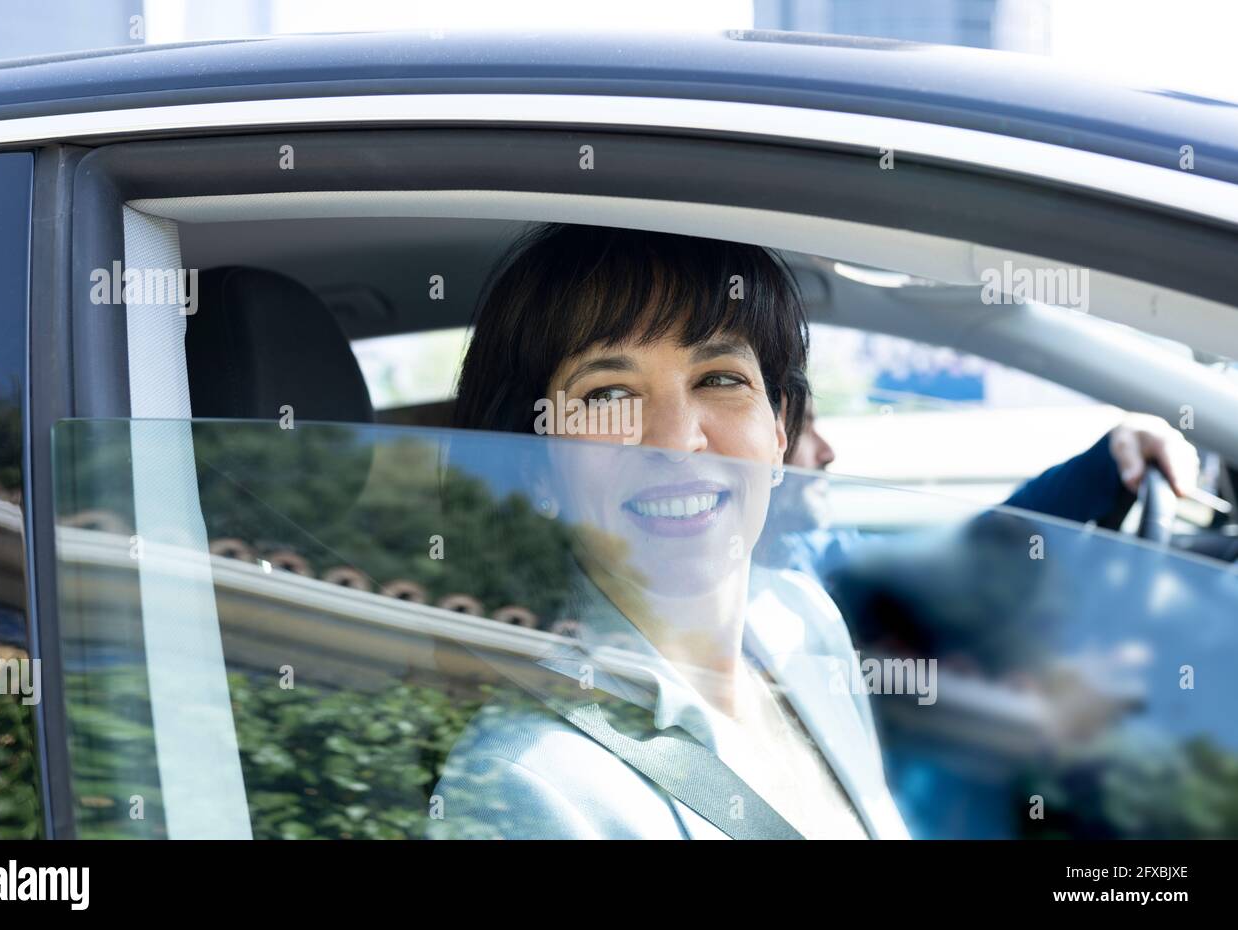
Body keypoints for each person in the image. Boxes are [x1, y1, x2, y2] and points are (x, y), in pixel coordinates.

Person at [427, 223, 908, 839]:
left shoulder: (804, 621)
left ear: (778, 427)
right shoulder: (526, 783)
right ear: (535, 464)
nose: (677, 440)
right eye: (608, 394)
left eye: (719, 379)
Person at [767, 394, 1200, 584]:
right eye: (805, 426)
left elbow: (977, 546)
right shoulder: (784, 573)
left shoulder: (808, 556)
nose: (828, 452)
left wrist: (1108, 456)